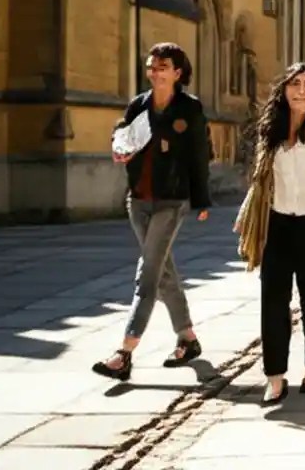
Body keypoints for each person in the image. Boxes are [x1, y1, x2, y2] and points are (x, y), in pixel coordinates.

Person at [93, 43, 212, 381]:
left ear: (178, 72)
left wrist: (202, 199)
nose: (156, 71)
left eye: (163, 66)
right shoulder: (138, 105)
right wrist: (119, 145)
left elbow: (198, 155)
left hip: (172, 201)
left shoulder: (189, 108)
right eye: (152, 66)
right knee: (164, 272)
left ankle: (125, 352)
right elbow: (124, 135)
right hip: (138, 200)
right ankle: (188, 338)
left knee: (147, 275)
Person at [234, 62, 305, 404]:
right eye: (295, 84)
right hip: (276, 225)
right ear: (284, 90)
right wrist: (249, 217)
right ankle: (275, 377)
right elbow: (259, 181)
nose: (301, 90)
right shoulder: (270, 131)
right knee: (273, 301)